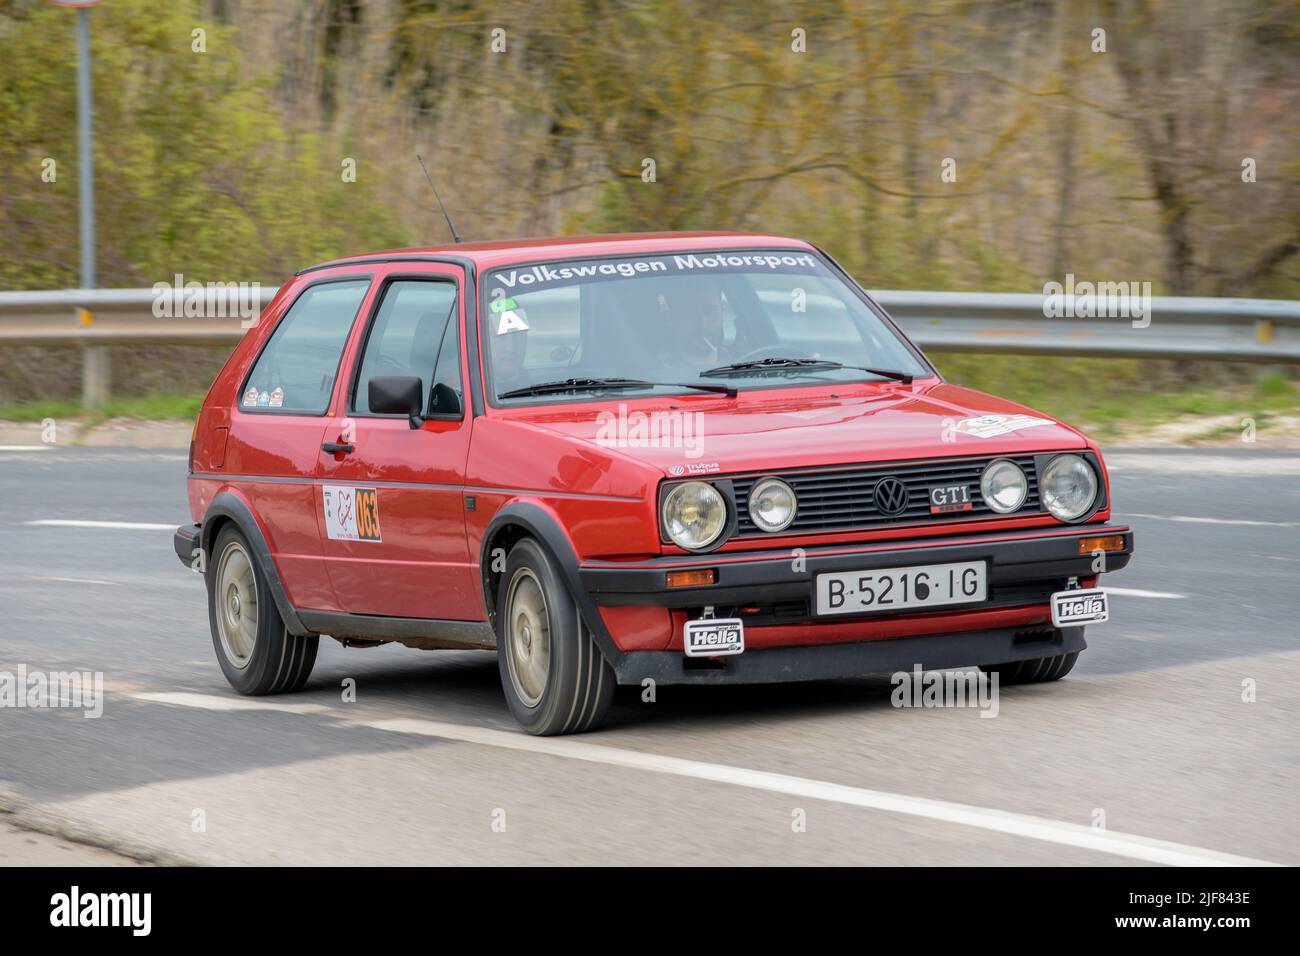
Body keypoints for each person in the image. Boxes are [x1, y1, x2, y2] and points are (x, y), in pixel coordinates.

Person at [659, 280, 728, 371]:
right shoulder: (652, 373)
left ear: (722, 311)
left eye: (710, 310)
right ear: (671, 318)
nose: (703, 324)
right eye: (689, 313)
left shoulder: (744, 361)